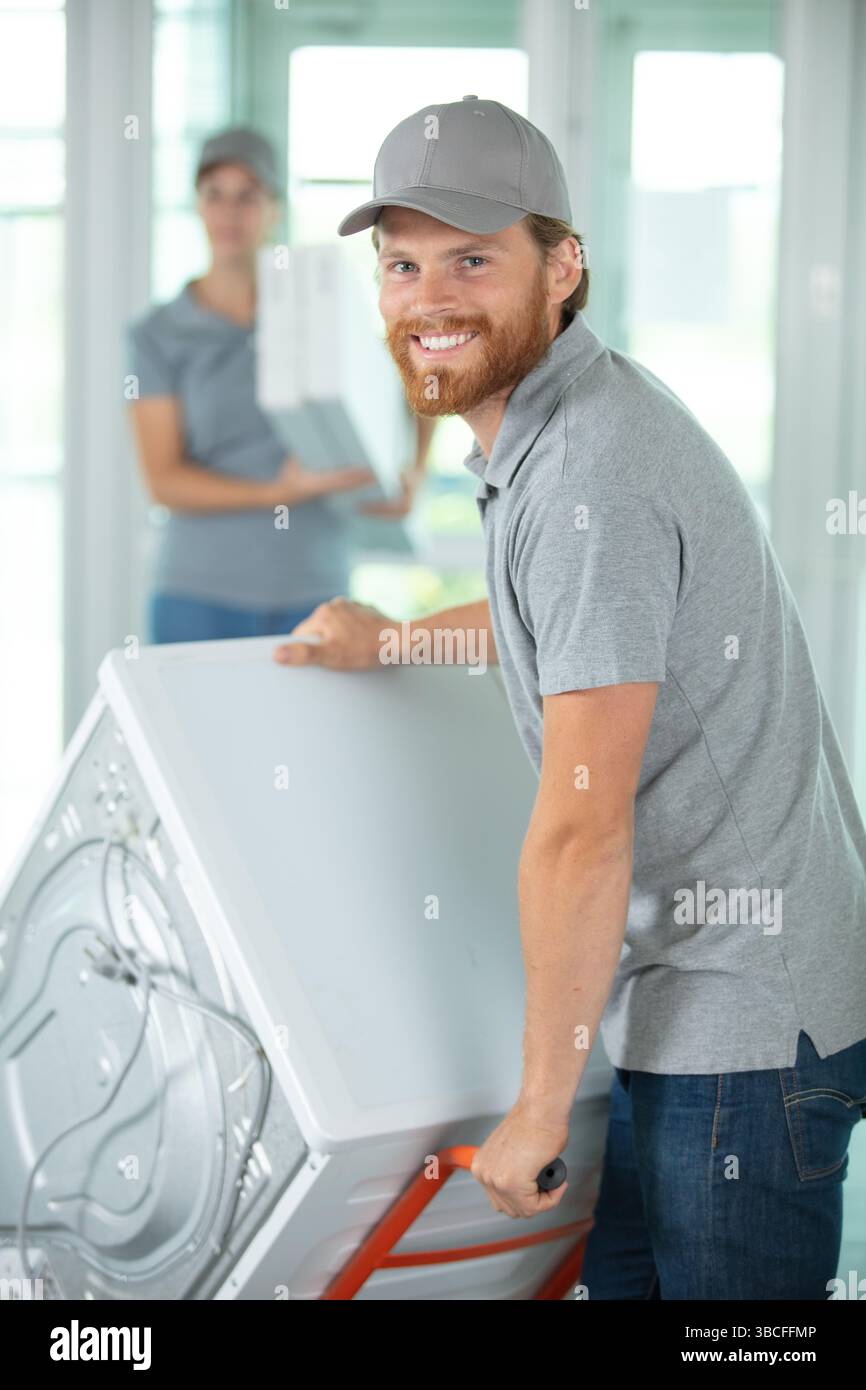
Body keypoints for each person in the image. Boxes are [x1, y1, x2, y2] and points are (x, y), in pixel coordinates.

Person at [269, 96, 866, 1300]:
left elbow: (583, 826)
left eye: (472, 260)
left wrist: (537, 1110)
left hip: (736, 1030)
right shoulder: (555, 435)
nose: (428, 299)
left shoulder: (594, 464)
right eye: (402, 264)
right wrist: (394, 641)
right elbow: (569, 629)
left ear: (562, 267)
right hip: (693, 1008)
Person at [126, 126, 435, 643]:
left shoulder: (316, 310)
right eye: (214, 195)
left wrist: (416, 472)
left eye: (248, 195)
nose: (230, 212)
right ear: (197, 207)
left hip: (314, 588)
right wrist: (279, 491)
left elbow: (419, 368)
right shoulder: (158, 334)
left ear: (274, 208)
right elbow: (164, 481)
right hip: (198, 595)